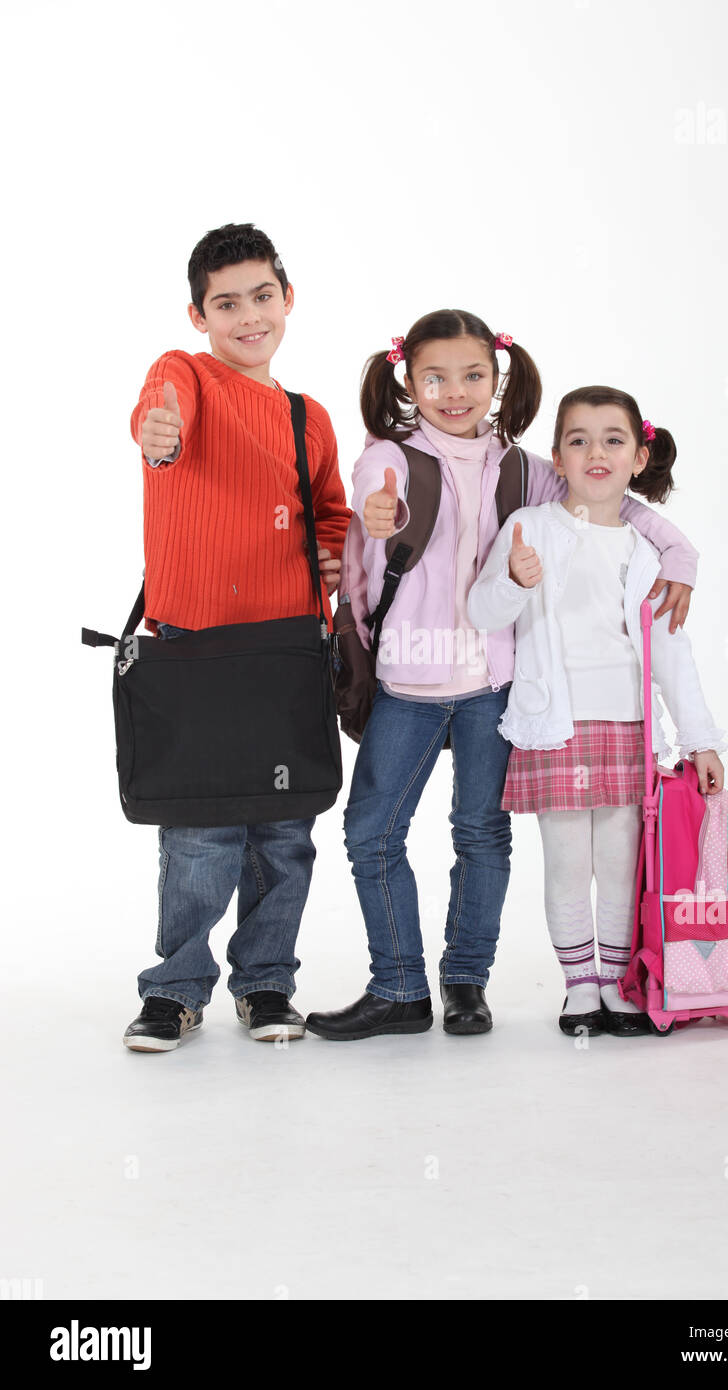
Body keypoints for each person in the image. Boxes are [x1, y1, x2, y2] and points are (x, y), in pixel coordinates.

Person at [305, 314, 699, 1042]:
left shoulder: (526, 470)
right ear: (408, 380)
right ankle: (397, 986)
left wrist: (679, 556)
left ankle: (465, 985)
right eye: (434, 377)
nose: (455, 392)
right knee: (371, 831)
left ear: (498, 379)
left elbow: (607, 501)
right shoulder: (389, 456)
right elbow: (373, 492)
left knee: (481, 835)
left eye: (473, 376)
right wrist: (379, 508)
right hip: (409, 684)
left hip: (499, 687)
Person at [122, 223, 351, 1052]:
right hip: (193, 642)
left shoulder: (307, 416)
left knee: (285, 830)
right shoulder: (181, 374)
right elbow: (159, 410)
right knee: (198, 829)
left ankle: (265, 985)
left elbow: (332, 511)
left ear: (287, 299)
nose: (248, 315)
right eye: (226, 303)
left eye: (262, 296)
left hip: (288, 645)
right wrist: (161, 430)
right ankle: (175, 991)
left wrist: (336, 547)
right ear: (198, 314)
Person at [467, 385, 726, 1038]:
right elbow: (481, 613)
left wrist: (700, 740)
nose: (596, 452)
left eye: (613, 439)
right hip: (552, 724)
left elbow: (672, 654)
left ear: (639, 456)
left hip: (629, 728)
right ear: (557, 458)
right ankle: (580, 986)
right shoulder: (529, 528)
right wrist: (512, 581)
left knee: (618, 862)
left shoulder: (649, 553)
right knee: (566, 863)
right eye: (578, 440)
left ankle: (615, 983)